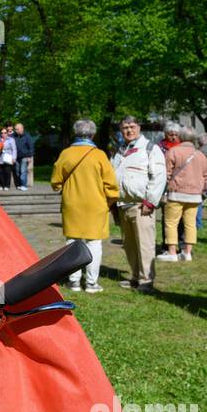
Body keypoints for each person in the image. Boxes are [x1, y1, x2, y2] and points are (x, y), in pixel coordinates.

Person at [50, 119, 118, 293]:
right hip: (96, 204)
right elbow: (111, 185)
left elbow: (55, 182)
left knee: (72, 242)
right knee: (94, 243)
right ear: (93, 134)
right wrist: (110, 201)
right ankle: (91, 283)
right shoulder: (100, 155)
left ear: (75, 133)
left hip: (72, 204)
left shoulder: (66, 154)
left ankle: (73, 281)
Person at [111, 116, 166, 293]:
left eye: (132, 126)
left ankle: (146, 280)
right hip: (122, 205)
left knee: (145, 244)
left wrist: (150, 201)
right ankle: (135, 277)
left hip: (141, 205)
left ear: (139, 127)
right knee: (129, 245)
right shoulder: (119, 151)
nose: (128, 130)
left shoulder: (151, 148)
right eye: (125, 127)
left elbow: (158, 177)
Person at [157, 126, 207, 262]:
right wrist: (202, 190)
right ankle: (187, 252)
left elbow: (166, 174)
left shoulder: (173, 152)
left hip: (176, 193)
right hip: (195, 195)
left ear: (180, 136)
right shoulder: (201, 155)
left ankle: (172, 252)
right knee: (190, 223)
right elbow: (206, 176)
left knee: (171, 223)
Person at [13, 122, 34, 190]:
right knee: (17, 171)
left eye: (17, 129)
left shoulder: (27, 136)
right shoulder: (13, 135)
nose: (16, 131)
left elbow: (31, 146)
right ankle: (19, 184)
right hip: (16, 157)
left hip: (25, 156)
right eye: (15, 129)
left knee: (23, 171)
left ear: (22, 129)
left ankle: (24, 185)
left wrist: (30, 156)